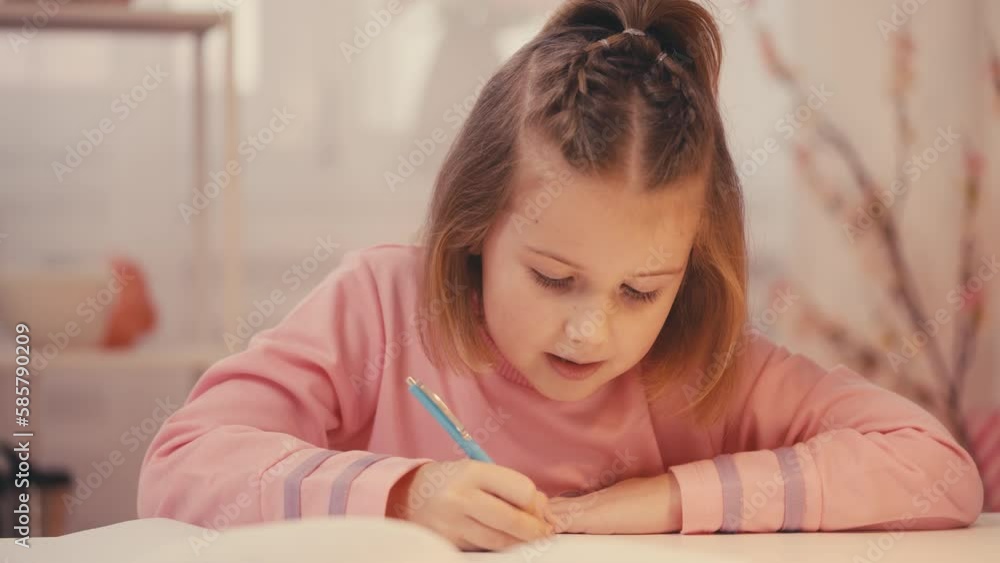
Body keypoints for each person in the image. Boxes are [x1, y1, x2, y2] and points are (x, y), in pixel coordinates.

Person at [137, 0, 984, 551]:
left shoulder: (703, 365)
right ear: (474, 229)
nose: (593, 331)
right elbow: (180, 463)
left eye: (640, 290)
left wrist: (663, 500)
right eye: (551, 278)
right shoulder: (381, 309)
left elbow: (938, 470)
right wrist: (407, 491)